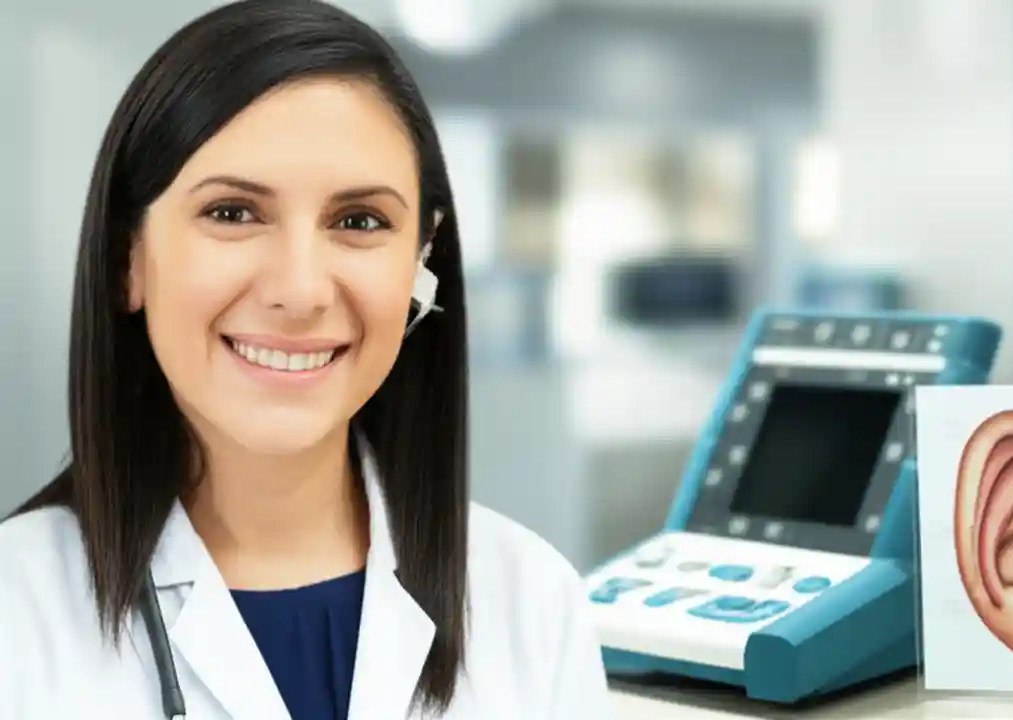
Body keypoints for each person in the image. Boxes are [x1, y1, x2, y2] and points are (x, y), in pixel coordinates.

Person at [0, 1, 613, 717]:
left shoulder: (532, 601)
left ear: (422, 263)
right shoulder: (17, 611)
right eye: (232, 212)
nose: (300, 290)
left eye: (359, 222)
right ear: (126, 257)